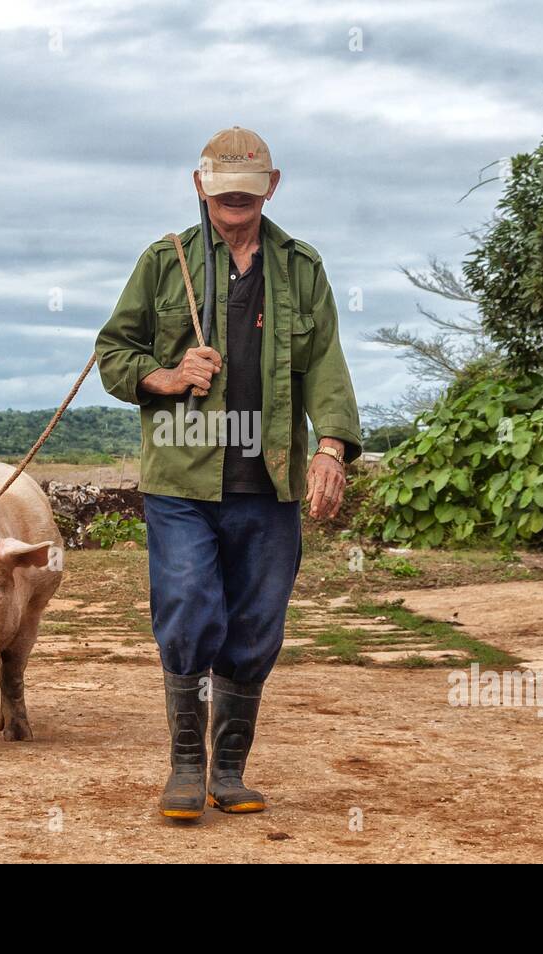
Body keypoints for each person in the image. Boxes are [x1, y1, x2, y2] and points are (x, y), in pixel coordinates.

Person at [95, 126, 361, 819]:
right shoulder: (165, 261)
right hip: (182, 476)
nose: (234, 203)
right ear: (198, 186)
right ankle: (186, 767)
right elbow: (113, 352)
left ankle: (230, 771)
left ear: (273, 187)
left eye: (248, 192)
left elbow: (326, 365)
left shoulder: (302, 267)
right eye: (222, 194)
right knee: (188, 606)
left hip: (270, 480)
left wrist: (331, 448)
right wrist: (165, 373)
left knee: (257, 626)